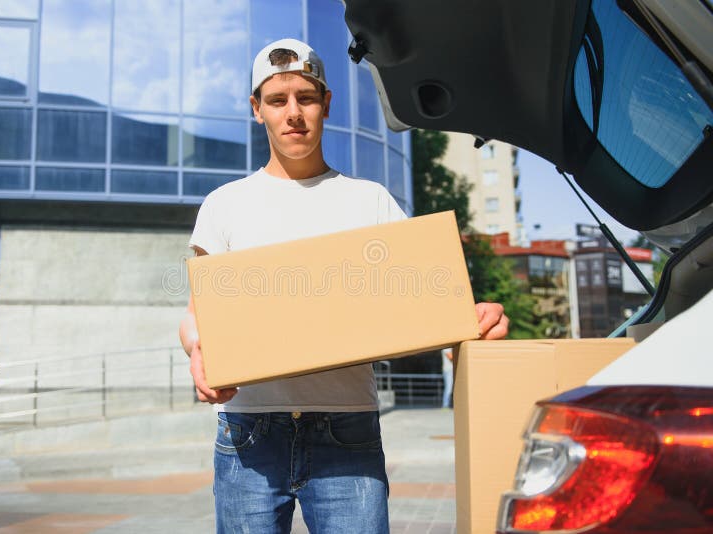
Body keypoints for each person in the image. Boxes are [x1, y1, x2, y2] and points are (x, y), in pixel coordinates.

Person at [179, 38, 509, 534]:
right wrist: (197, 352)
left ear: (327, 104)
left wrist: (470, 325)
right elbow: (197, 314)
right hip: (248, 430)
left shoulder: (369, 202)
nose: (293, 113)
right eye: (277, 100)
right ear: (257, 110)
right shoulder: (224, 205)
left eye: (306, 98)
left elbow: (429, 307)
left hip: (346, 427)